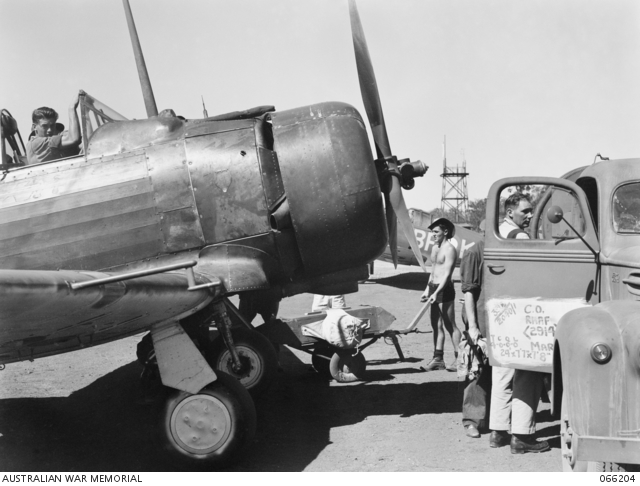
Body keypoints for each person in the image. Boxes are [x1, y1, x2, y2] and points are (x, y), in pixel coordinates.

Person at [489, 192, 550, 453]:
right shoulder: (521, 237)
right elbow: (534, 273)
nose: (529, 215)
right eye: (525, 211)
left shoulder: (496, 232)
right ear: (509, 212)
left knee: (502, 371)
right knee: (528, 372)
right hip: (522, 309)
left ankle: (498, 431)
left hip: (502, 309)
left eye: (530, 210)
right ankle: (522, 437)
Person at [460, 238, 491, 439]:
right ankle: (472, 420)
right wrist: (473, 326)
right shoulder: (474, 252)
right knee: (477, 372)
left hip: (501, 320)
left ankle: (499, 420)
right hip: (480, 322)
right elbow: (469, 292)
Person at [420, 217, 461, 371]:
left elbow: (446, 275)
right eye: (432, 232)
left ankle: (460, 359)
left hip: (444, 290)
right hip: (433, 288)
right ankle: (438, 359)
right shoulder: (435, 248)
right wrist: (427, 289)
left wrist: (436, 292)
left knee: (450, 325)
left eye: (436, 231)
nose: (433, 234)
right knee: (436, 325)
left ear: (446, 232)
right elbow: (434, 270)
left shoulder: (450, 249)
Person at [26, 91, 83, 165]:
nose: (49, 130)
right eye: (44, 126)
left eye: (52, 125)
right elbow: (73, 139)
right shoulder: (36, 143)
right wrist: (71, 108)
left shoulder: (51, 143)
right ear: (34, 127)